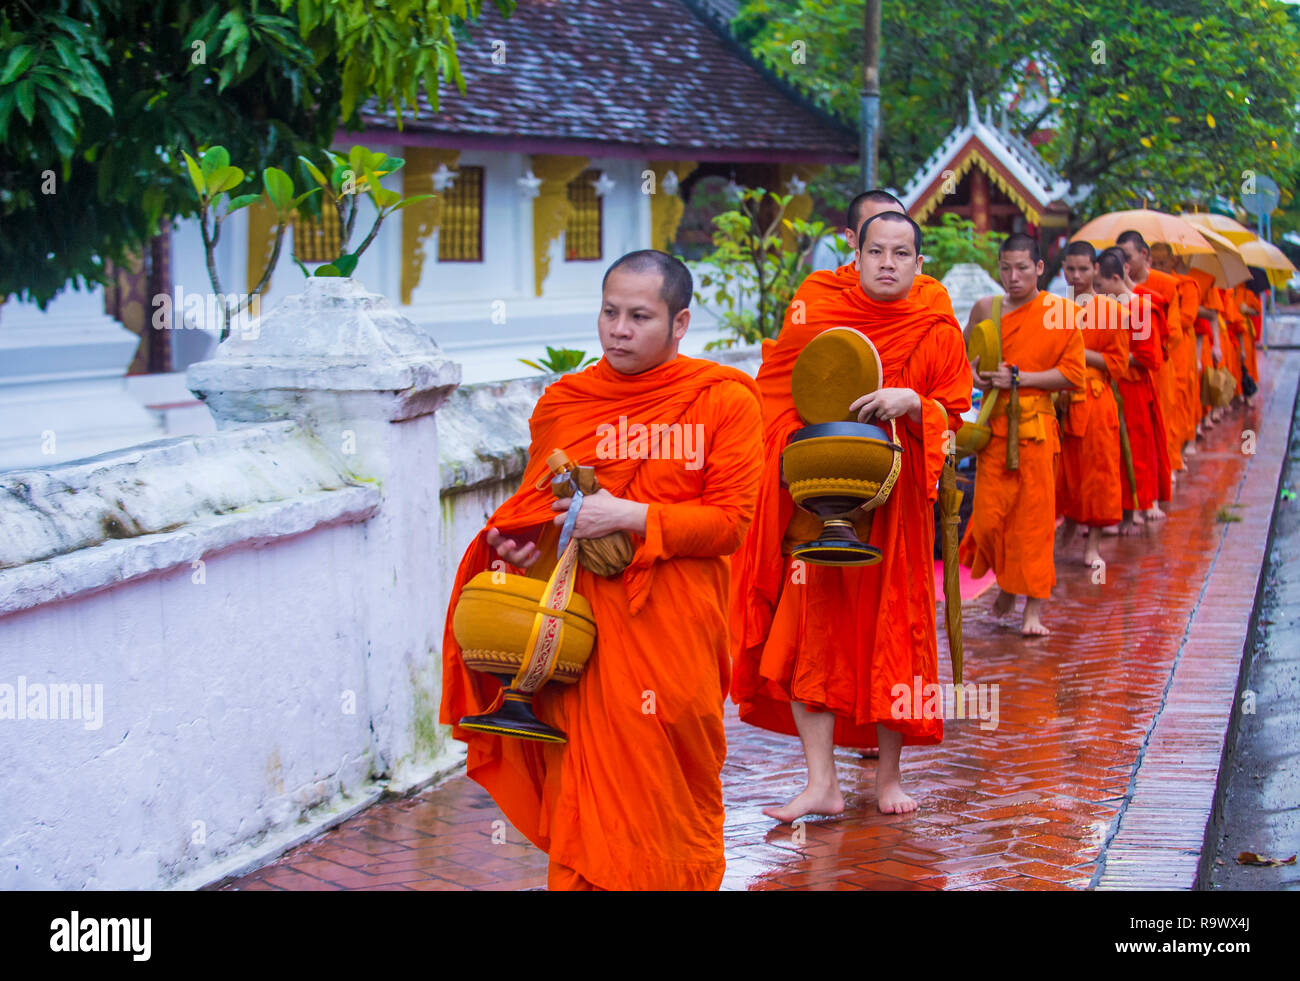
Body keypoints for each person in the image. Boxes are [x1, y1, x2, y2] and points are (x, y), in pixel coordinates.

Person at [439, 250, 764, 890]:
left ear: (679, 323)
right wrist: (520, 554)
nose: (618, 330)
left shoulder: (723, 401)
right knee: (585, 796)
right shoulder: (566, 402)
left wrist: (632, 516)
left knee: (666, 785)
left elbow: (730, 523)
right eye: (609, 313)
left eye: (639, 316)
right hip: (581, 636)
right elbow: (540, 515)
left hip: (672, 630)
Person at [729, 211, 970, 819]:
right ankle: (821, 783)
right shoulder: (819, 315)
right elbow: (774, 400)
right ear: (854, 259)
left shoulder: (936, 327)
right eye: (876, 252)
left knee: (895, 635)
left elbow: (957, 419)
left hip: (898, 511)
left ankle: (889, 779)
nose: (888, 263)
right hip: (820, 504)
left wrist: (914, 403)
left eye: (901, 254)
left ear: (919, 264)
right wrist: (813, 446)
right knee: (813, 634)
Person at [958, 233, 1086, 636]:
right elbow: (962, 358)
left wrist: (1020, 377)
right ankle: (1006, 584)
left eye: (1022, 268)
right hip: (994, 431)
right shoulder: (986, 309)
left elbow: (1072, 375)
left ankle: (1032, 610)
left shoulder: (1059, 313)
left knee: (1032, 524)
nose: (1013, 277)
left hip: (1035, 431)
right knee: (989, 522)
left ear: (1040, 269)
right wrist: (976, 373)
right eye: (1006, 268)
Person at [1056, 242, 1130, 567]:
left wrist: (1078, 351)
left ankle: (1092, 546)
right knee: (1067, 473)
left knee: (1099, 473)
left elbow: (1119, 363)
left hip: (1097, 400)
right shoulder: (1055, 310)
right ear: (1061, 270)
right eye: (1070, 269)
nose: (1076, 276)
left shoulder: (1112, 311)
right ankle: (1067, 527)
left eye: (1083, 269)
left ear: (1096, 270)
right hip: (1062, 400)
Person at [789, 189, 957, 319]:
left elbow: (946, 355)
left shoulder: (930, 296)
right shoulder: (817, 293)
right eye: (875, 224)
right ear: (851, 238)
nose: (887, 231)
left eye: (896, 222)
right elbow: (793, 360)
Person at [1095, 247, 1170, 531]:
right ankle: (1115, 509)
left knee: (1136, 449)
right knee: (1110, 450)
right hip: (1110, 386)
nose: (1098, 292)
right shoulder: (1107, 308)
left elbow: (1151, 358)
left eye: (1100, 286)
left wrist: (1115, 356)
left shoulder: (1139, 308)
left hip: (1132, 387)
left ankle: (1135, 507)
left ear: (1116, 278)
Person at [1118, 231, 1183, 481]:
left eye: (1128, 256)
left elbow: (1175, 330)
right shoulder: (1114, 289)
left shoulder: (1166, 286)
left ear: (1144, 255)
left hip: (1159, 361)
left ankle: (1166, 468)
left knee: (1164, 415)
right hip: (1130, 366)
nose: (1124, 263)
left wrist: (1153, 340)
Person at [1150, 243, 1202, 463]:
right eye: (1155, 263)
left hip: (1179, 345)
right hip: (1153, 343)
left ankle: (1182, 444)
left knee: (1180, 395)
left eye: (1163, 263)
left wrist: (1161, 318)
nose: (1159, 267)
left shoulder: (1185, 285)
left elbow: (1188, 318)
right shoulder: (1144, 284)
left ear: (1173, 261)